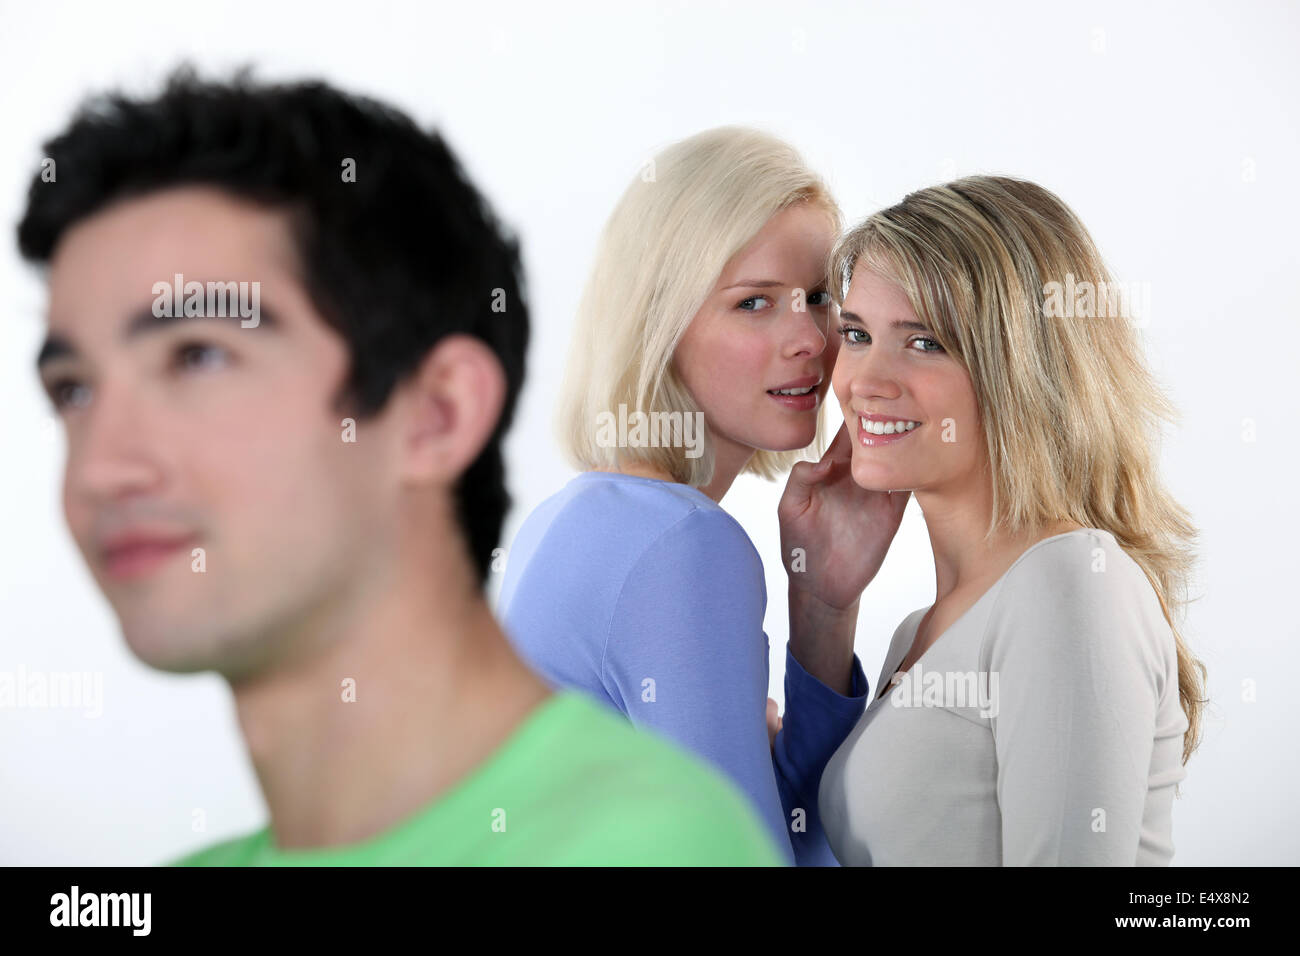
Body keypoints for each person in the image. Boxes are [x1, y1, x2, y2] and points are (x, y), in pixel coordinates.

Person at [16, 67, 785, 866]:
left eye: (199, 355)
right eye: (73, 389)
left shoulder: (650, 843)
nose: (101, 468)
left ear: (438, 412)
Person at [497, 127, 909, 866]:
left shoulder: (568, 519)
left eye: (817, 298)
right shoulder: (682, 544)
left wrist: (823, 608)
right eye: (753, 303)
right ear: (658, 323)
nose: (812, 338)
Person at [817, 176, 1208, 865]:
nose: (864, 380)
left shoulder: (1069, 584)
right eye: (856, 334)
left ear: (1024, 368)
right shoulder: (922, 628)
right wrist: (821, 601)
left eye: (926, 342)